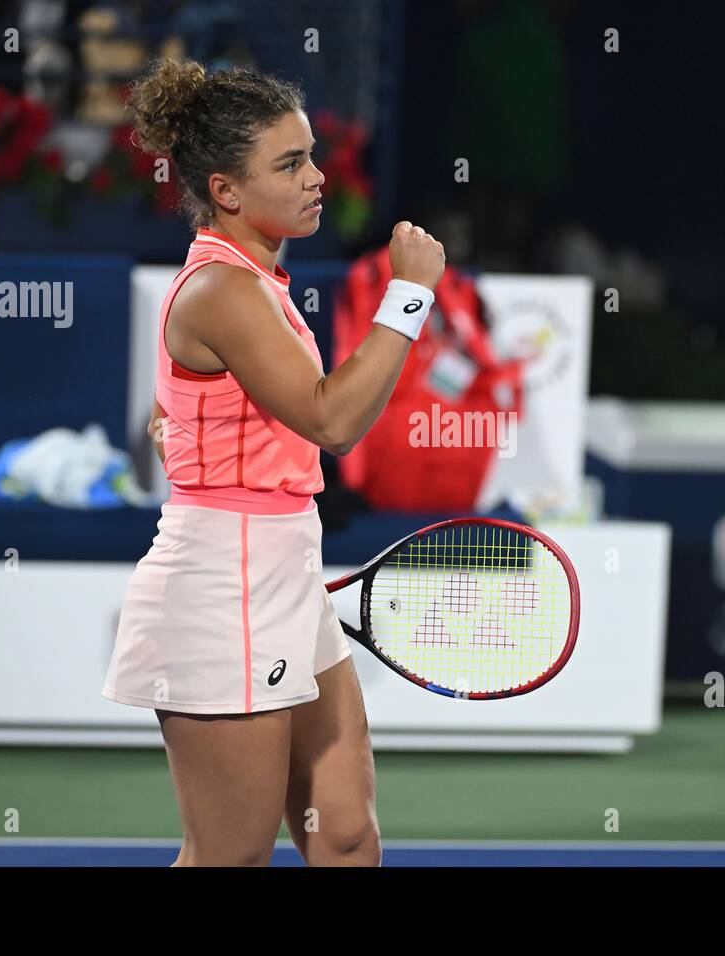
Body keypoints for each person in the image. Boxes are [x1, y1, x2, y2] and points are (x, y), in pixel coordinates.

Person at [100, 57, 446, 865]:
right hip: (224, 589)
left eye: (311, 155)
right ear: (226, 190)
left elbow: (172, 417)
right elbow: (333, 421)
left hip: (281, 570)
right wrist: (410, 296)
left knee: (345, 835)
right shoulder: (225, 290)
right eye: (289, 165)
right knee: (231, 856)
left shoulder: (256, 281)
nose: (317, 178)